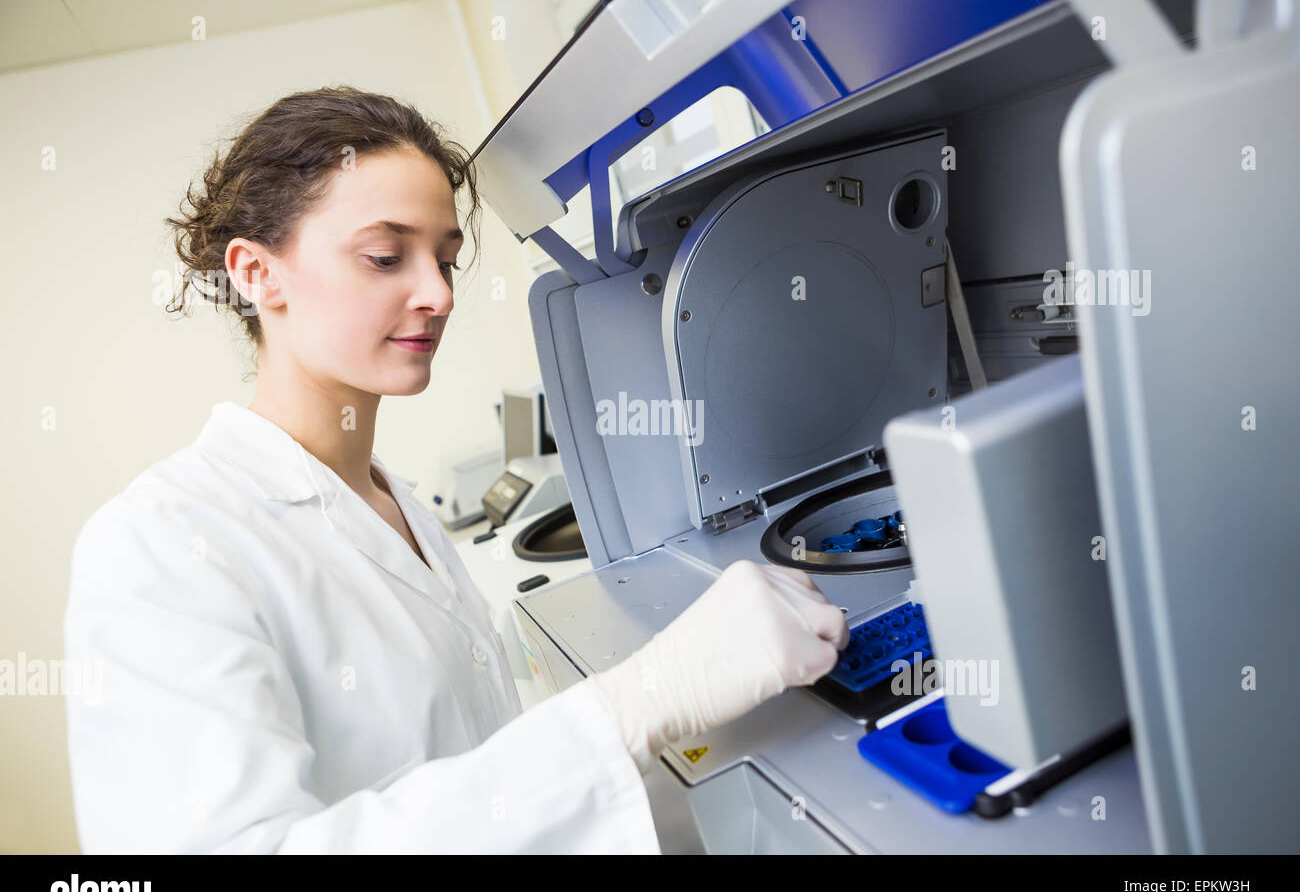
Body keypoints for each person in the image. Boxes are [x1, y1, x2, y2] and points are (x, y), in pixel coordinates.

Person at [63, 87, 848, 853]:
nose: (436, 294)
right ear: (257, 273)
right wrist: (642, 698)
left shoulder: (393, 503)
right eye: (385, 256)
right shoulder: (161, 544)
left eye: (446, 258)